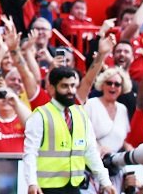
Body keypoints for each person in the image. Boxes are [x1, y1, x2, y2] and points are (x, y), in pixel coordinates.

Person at [23, 66, 115, 194]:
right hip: (47, 188)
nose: (70, 91)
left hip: (74, 186)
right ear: (52, 88)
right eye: (64, 86)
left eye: (72, 86)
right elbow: (30, 152)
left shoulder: (81, 114)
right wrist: (32, 182)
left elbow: (91, 151)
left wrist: (105, 182)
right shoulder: (40, 115)